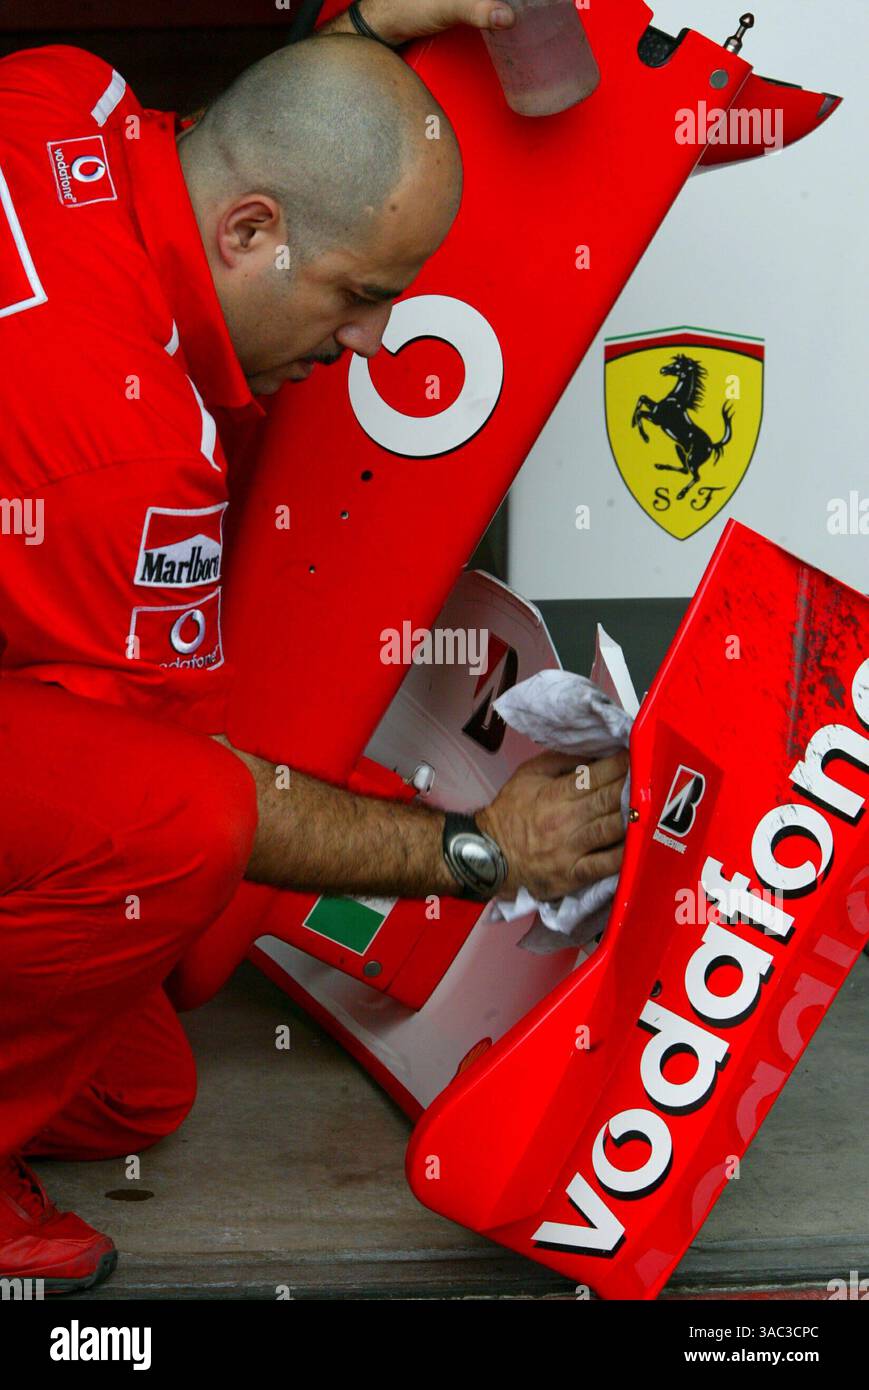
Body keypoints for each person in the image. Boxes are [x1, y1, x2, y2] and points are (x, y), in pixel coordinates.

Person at [0, 0, 627, 1291]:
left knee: (130, 1089)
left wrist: (356, 24)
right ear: (249, 230)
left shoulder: (58, 100)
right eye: (358, 297)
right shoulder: (135, 457)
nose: (366, 346)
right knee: (172, 822)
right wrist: (479, 849)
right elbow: (204, 800)